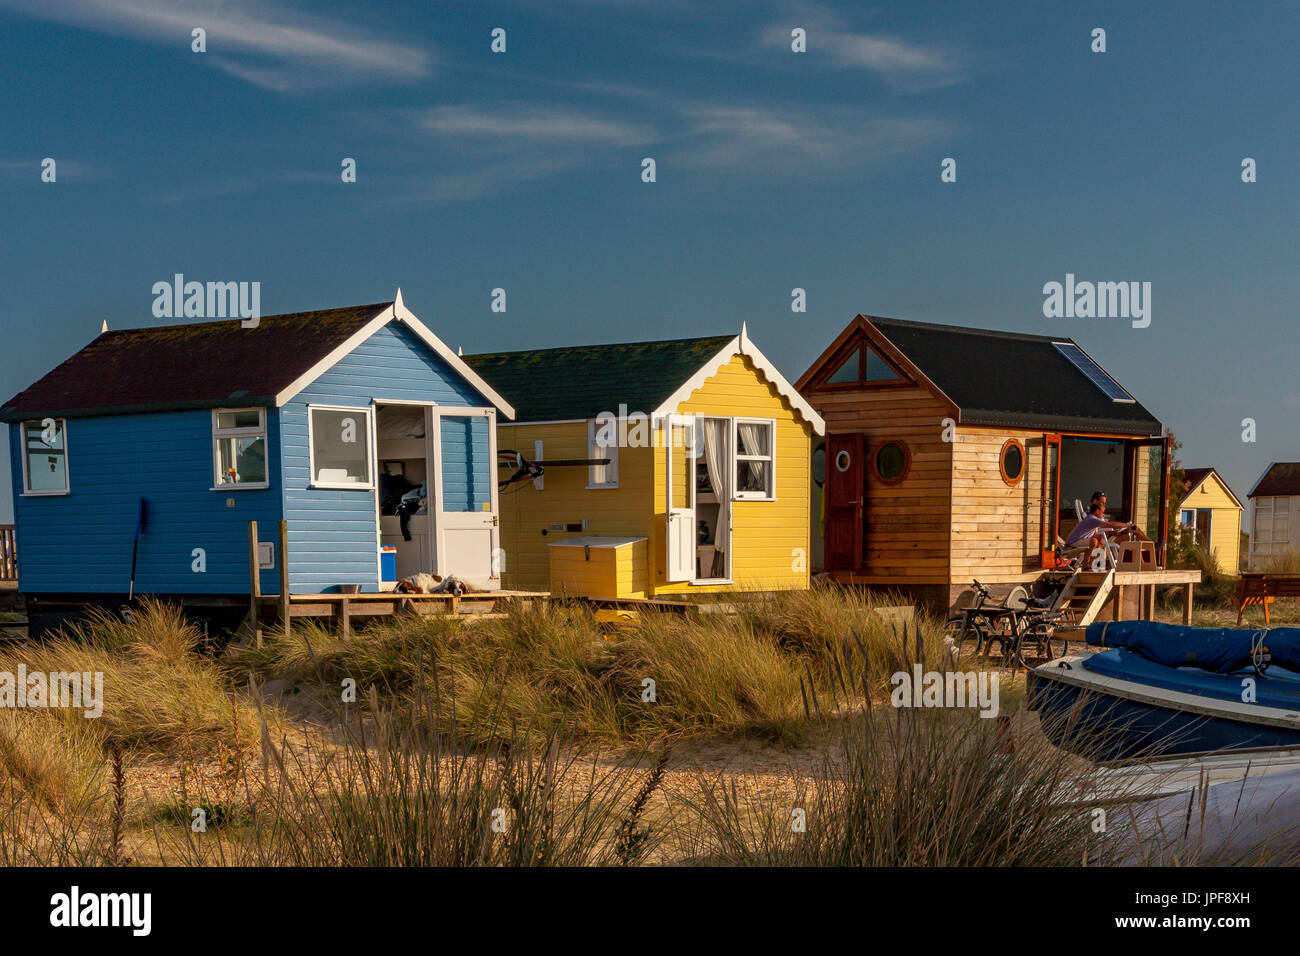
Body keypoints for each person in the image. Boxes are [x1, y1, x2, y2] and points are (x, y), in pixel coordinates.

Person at [1064, 490, 1150, 558]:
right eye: (1102, 503)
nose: (1104, 505)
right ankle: (1150, 547)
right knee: (1130, 534)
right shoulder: (1090, 515)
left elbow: (1104, 528)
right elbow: (1106, 526)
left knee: (1134, 530)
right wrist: (1126, 526)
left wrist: (1118, 531)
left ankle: (1150, 546)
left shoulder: (1097, 514)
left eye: (1105, 503)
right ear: (1094, 501)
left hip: (1105, 536)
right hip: (1101, 538)